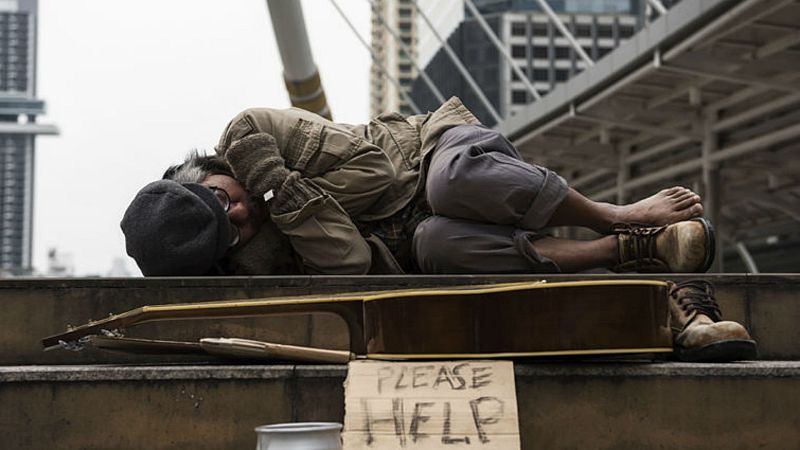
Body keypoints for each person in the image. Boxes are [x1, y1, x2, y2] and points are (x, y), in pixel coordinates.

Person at [120, 96, 756, 361]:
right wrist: (281, 190)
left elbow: (374, 176)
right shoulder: (259, 254)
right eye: (227, 233)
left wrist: (280, 191)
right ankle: (627, 252)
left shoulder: (252, 132)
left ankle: (618, 215)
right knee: (437, 244)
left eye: (220, 198)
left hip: (431, 154)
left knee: (451, 185)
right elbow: (349, 267)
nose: (239, 214)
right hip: (415, 244)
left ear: (205, 171)